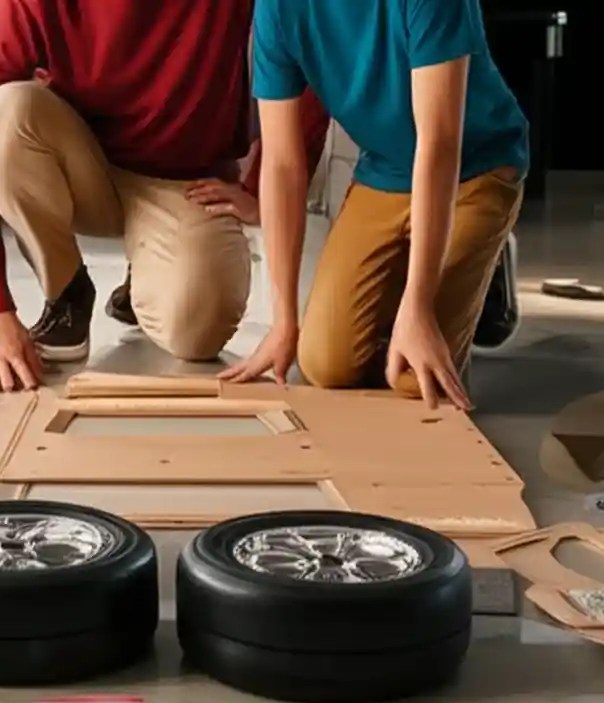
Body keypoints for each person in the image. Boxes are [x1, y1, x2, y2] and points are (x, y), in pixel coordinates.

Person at [0, 0, 330, 392]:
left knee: (197, 330)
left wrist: (257, 194)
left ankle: (142, 279)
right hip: (81, 166)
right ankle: (66, 292)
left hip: (184, 182)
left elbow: (314, 45)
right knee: (0, 116)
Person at [219, 0, 530, 410]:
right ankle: (416, 282)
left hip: (473, 170)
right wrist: (284, 322)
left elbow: (437, 144)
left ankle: (481, 262)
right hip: (384, 172)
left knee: (414, 381)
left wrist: (419, 305)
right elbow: (282, 162)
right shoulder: (278, 8)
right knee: (326, 365)